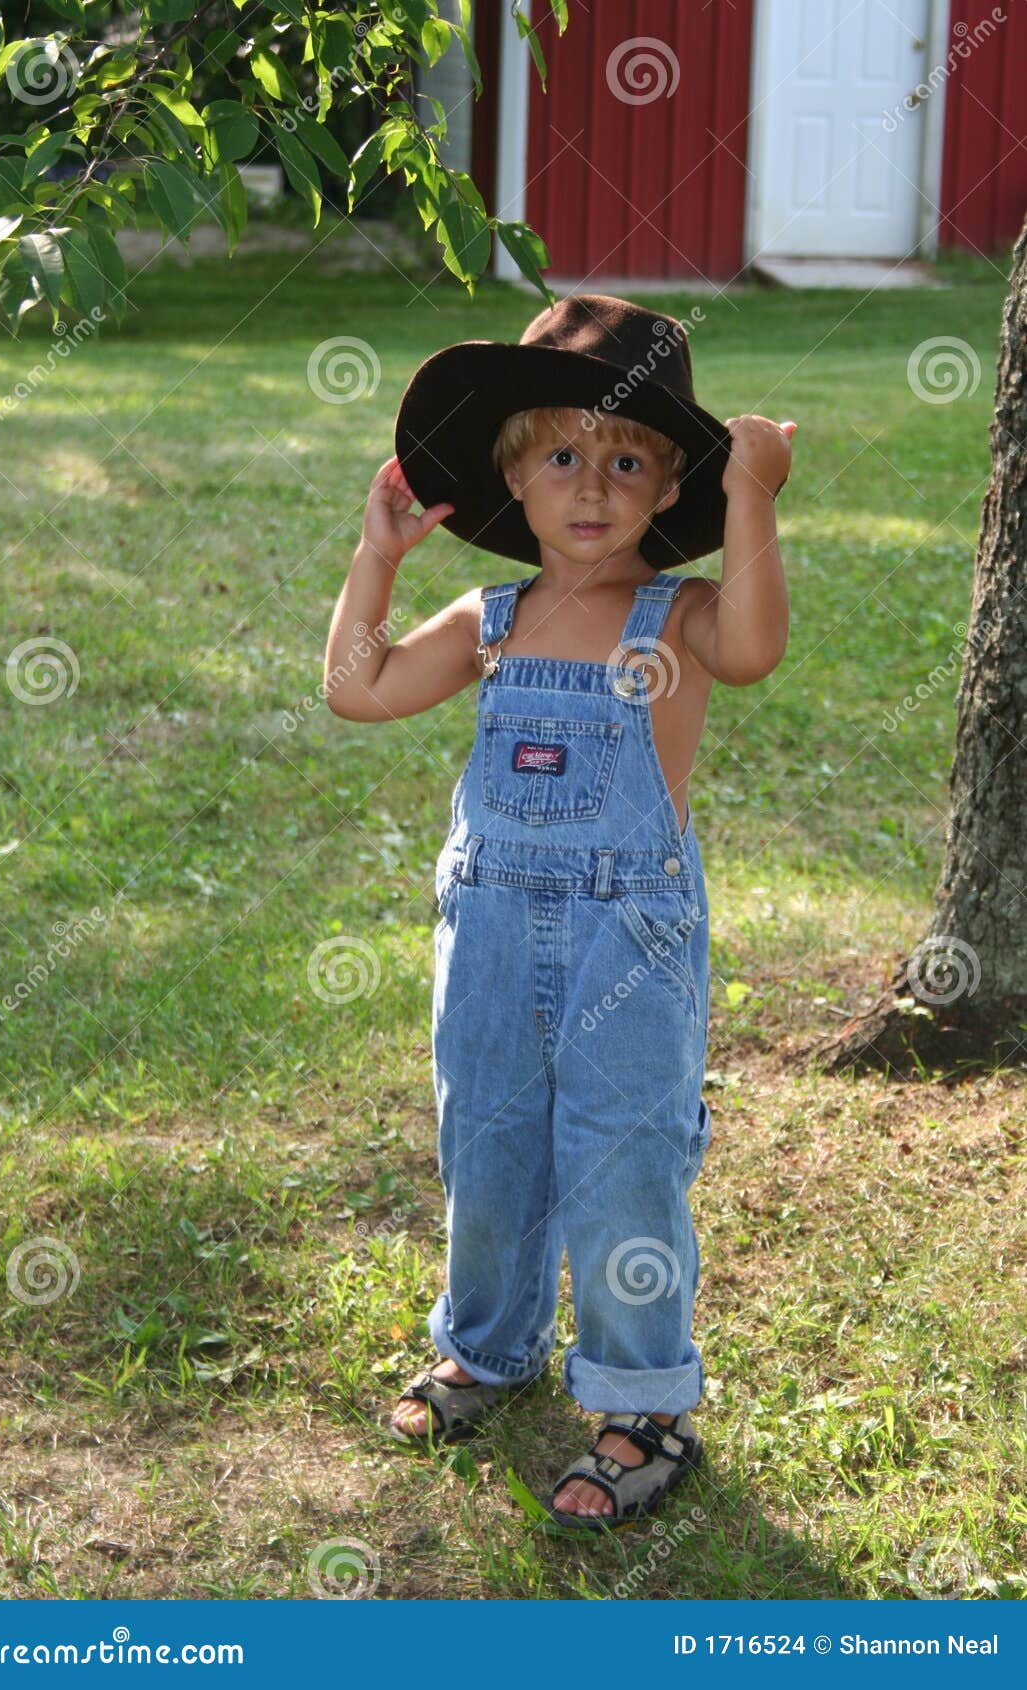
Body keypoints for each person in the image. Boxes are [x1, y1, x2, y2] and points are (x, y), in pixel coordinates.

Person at [324, 293, 793, 1531]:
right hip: (484, 929)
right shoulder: (486, 626)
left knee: (622, 1154)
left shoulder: (679, 618)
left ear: (669, 480)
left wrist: (756, 495)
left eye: (626, 458)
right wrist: (375, 556)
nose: (592, 486)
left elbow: (754, 648)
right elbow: (357, 689)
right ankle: (485, 1347)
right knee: (485, 1137)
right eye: (561, 457)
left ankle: (643, 1403)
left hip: (624, 942)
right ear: (511, 481)